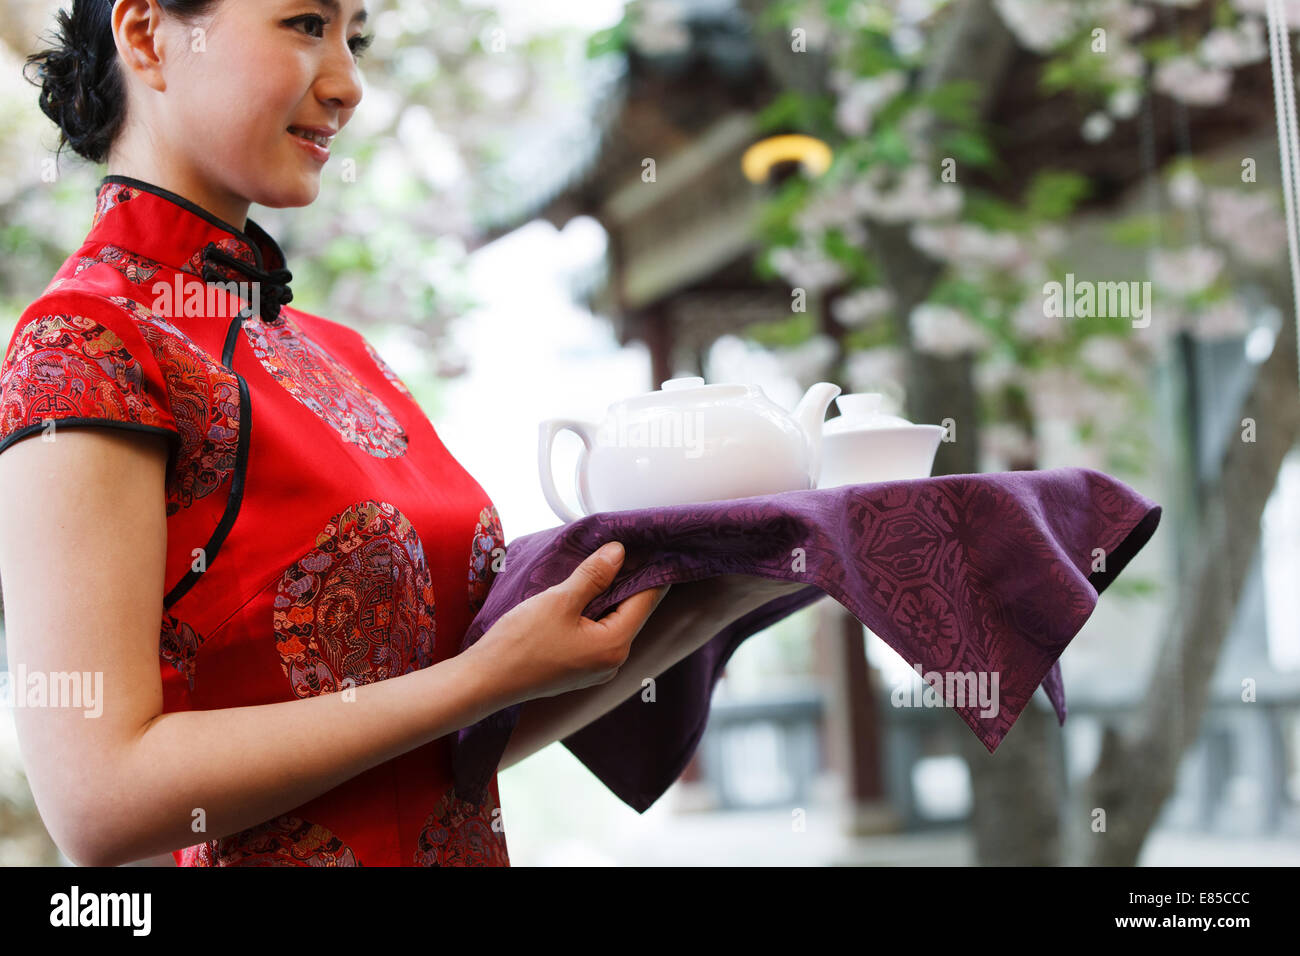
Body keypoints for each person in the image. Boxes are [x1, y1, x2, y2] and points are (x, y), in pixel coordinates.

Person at [0, 0, 678, 867]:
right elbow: (99, 804)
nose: (349, 82)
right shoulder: (85, 342)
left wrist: (735, 572)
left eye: (354, 37)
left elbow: (445, 740)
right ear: (144, 34)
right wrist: (479, 680)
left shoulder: (342, 352)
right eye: (304, 23)